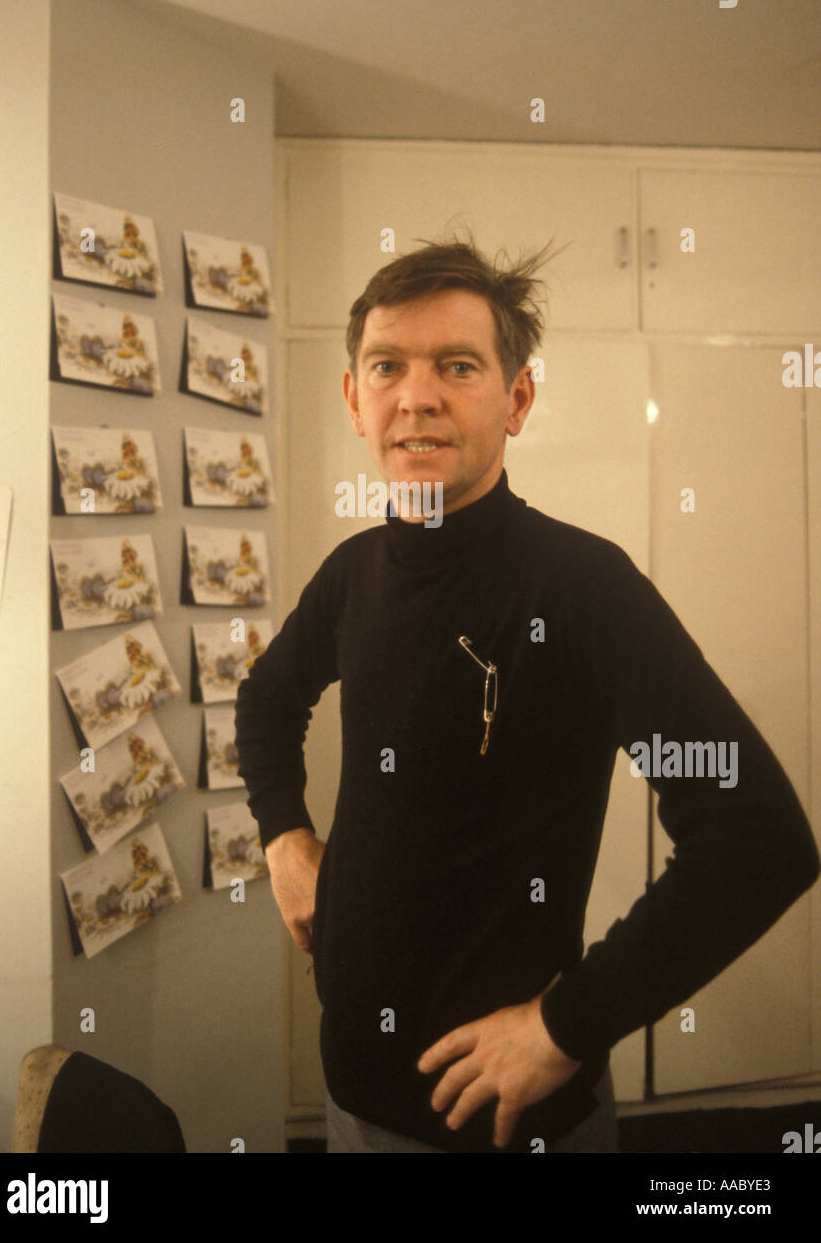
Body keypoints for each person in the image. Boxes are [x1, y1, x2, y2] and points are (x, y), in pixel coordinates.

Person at [234, 238, 819, 1154]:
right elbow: (265, 701)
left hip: (512, 1124)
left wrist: (566, 1027)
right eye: (387, 366)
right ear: (355, 398)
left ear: (518, 400)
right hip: (349, 1100)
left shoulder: (581, 589)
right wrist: (283, 833)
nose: (416, 395)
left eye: (457, 366)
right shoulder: (353, 576)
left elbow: (759, 837)